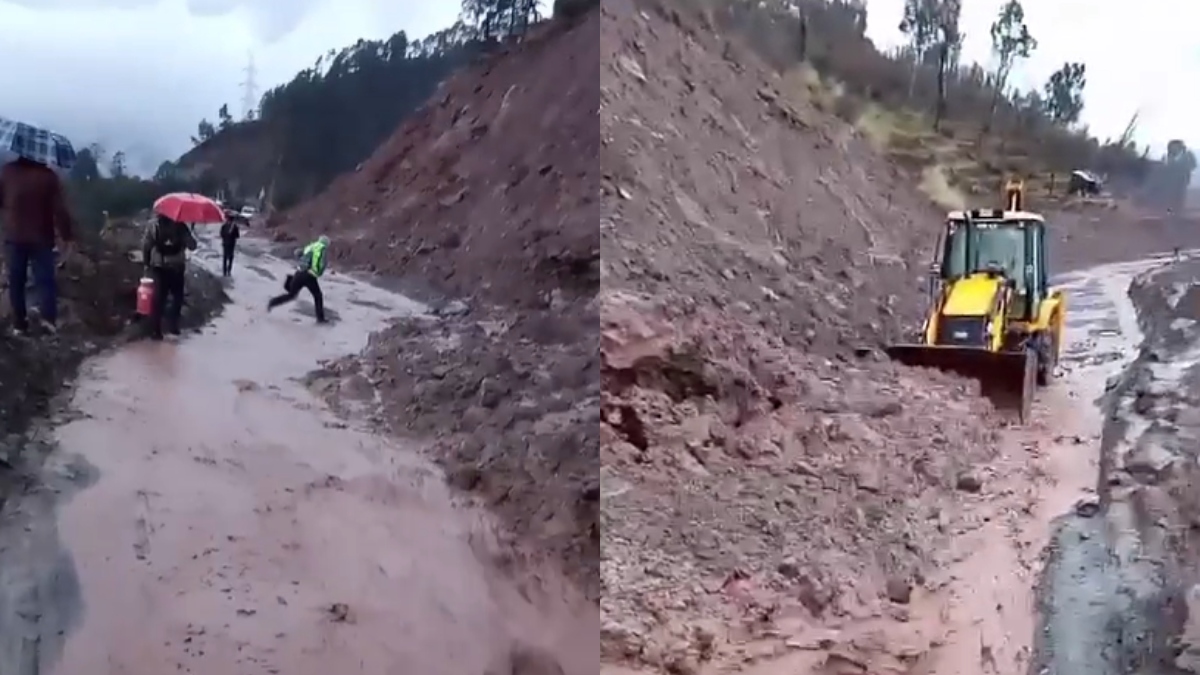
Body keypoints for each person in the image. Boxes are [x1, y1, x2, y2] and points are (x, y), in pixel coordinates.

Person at [0, 157, 75, 335]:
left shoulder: (8, 171)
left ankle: (19, 324)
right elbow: (60, 210)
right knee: (45, 280)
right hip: (41, 237)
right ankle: (48, 321)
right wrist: (67, 236)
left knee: (16, 281)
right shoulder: (48, 176)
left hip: (15, 235)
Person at [141, 214, 198, 340]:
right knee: (177, 297)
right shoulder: (181, 226)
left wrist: (146, 264)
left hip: (159, 266)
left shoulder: (153, 226)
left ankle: (156, 331)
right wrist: (191, 234)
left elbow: (146, 246)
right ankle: (173, 326)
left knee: (158, 299)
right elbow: (192, 246)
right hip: (177, 267)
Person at [268, 235, 329, 323]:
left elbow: (297, 252)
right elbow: (323, 263)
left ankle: (272, 302)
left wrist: (302, 263)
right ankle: (320, 319)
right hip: (310, 276)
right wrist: (319, 272)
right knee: (318, 296)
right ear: (326, 243)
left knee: (291, 295)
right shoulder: (322, 249)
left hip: (299, 273)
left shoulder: (311, 246)